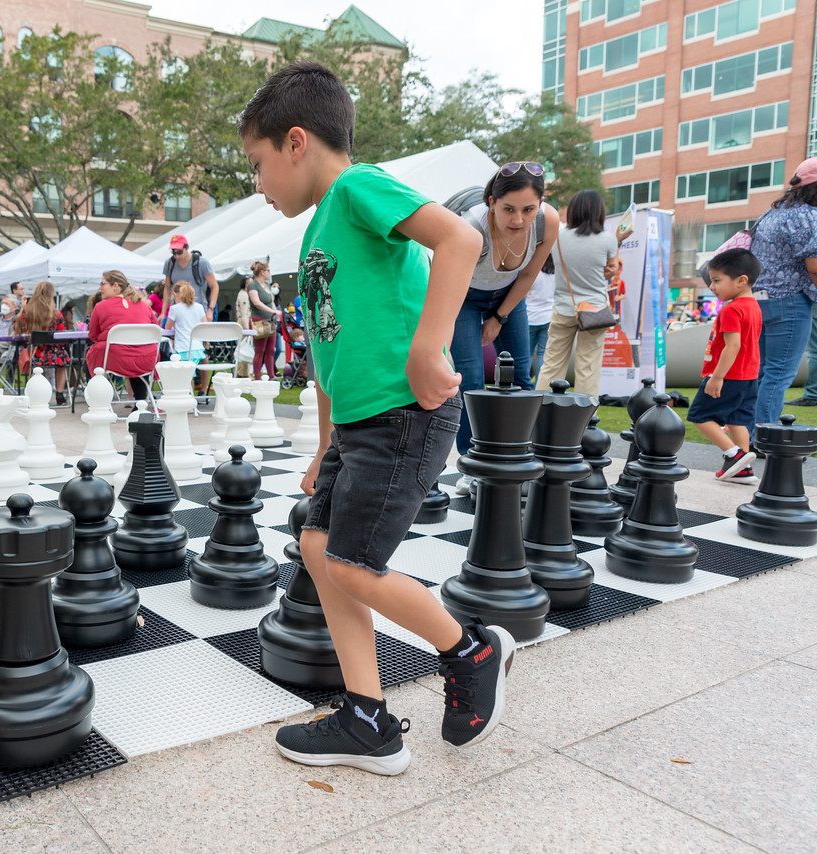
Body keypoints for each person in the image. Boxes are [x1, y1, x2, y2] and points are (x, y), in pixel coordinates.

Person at [239, 60, 513, 776]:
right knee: (317, 548)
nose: (258, 183)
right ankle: (368, 719)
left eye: (258, 163)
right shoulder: (314, 239)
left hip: (403, 414)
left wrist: (428, 347)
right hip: (359, 426)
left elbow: (461, 239)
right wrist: (323, 444)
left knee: (354, 566)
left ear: (296, 141)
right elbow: (329, 351)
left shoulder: (358, 188)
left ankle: (471, 648)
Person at [450, 163, 560, 494]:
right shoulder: (469, 226)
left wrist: (499, 317)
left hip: (511, 296)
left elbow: (528, 276)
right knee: (469, 382)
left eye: (528, 209)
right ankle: (472, 462)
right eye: (508, 209)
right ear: (491, 202)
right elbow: (447, 283)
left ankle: (521, 454)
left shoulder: (547, 221)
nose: (518, 220)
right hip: (464, 297)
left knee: (521, 378)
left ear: (541, 203)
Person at [534, 189, 624, 398]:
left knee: (551, 364)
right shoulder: (607, 239)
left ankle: (538, 411)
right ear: (598, 212)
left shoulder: (557, 237)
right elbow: (610, 269)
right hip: (595, 310)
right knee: (588, 368)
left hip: (563, 308)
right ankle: (585, 421)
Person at [687, 248, 763, 484]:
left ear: (741, 281)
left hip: (727, 375)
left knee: (699, 414)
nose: (712, 287)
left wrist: (717, 377)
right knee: (737, 418)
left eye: (717, 281)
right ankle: (742, 469)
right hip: (749, 375)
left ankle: (734, 455)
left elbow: (733, 346)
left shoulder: (731, 309)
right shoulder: (754, 306)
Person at [751, 157, 817, 428]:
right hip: (789, 302)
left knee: (761, 372)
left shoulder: (772, 213)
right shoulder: (809, 215)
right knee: (778, 375)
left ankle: (748, 434)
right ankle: (762, 437)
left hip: (758, 300)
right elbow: (814, 265)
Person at [86, 270, 159, 402]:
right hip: (147, 358)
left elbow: (93, 335)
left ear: (115, 285)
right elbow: (155, 329)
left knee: (95, 352)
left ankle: (98, 399)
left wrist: (106, 336)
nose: (99, 287)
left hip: (116, 358)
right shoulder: (143, 305)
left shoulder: (100, 307)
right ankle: (140, 401)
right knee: (134, 352)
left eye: (103, 283)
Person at [16, 280, 70, 405]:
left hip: (35, 354)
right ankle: (60, 392)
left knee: (38, 365)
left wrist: (23, 308)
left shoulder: (28, 312)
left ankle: (41, 393)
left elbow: (18, 329)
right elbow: (62, 335)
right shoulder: (57, 314)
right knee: (64, 360)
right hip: (55, 354)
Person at [159, 235, 218, 322]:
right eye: (173, 253)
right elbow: (167, 287)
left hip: (199, 312)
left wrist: (210, 310)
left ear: (187, 248)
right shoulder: (170, 263)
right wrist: (163, 313)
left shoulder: (201, 263)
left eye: (179, 252)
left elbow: (214, 286)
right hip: (179, 313)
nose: (177, 256)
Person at [247, 261, 282, 379]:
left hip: (270, 320)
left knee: (271, 350)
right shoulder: (253, 285)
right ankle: (257, 377)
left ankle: (271, 376)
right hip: (259, 320)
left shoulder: (266, 285)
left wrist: (275, 313)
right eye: (268, 270)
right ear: (262, 272)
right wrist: (272, 311)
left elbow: (271, 301)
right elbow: (256, 302)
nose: (269, 273)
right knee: (260, 350)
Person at [526, 256, 555, 382]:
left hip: (529, 317)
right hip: (549, 317)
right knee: (543, 354)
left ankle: (522, 384)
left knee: (526, 354)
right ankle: (540, 386)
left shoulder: (533, 271)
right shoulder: (556, 272)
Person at [164, 281, 206, 367]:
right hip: (198, 347)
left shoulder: (175, 308)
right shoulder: (199, 307)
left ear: (176, 294)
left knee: (186, 375)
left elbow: (167, 328)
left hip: (182, 349)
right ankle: (203, 381)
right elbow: (205, 326)